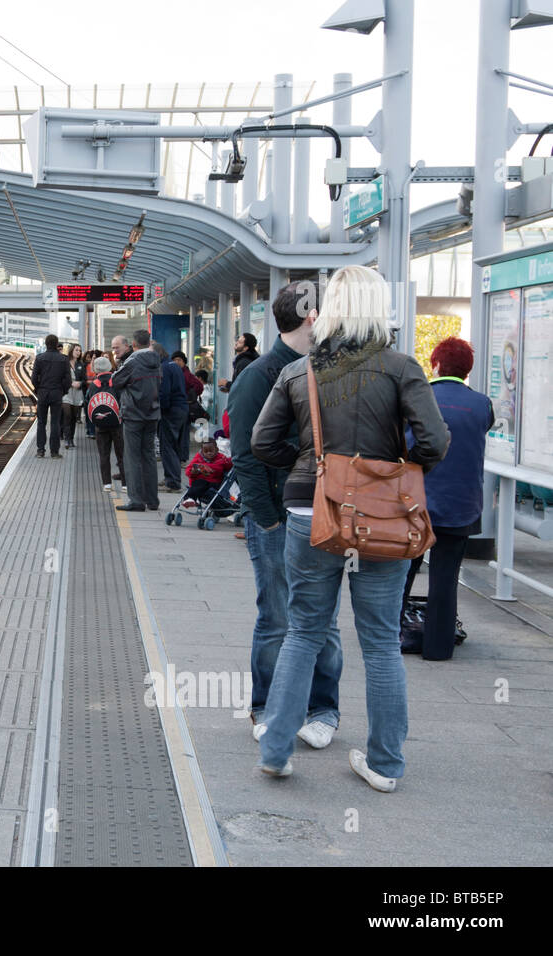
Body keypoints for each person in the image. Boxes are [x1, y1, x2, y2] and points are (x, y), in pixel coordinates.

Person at [251, 265, 449, 791]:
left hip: (309, 514)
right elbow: (435, 443)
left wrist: (313, 464)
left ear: (332, 308)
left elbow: (261, 442)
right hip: (379, 521)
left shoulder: (300, 372)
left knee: (303, 631)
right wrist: (390, 469)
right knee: (381, 643)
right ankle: (384, 765)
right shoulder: (402, 367)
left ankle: (275, 750)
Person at [227, 281, 343, 748]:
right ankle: (267, 706)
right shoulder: (259, 375)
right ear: (311, 315)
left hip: (322, 515)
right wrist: (268, 519)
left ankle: (322, 709)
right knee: (276, 616)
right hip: (278, 517)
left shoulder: (326, 369)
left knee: (325, 619)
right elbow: (244, 455)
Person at [399, 336, 493, 660]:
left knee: (403, 573)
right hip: (462, 506)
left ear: (435, 364)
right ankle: (438, 649)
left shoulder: (418, 397)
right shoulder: (483, 404)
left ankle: (390, 637)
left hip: (416, 502)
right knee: (445, 577)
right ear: (467, 369)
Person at [112, 329, 161, 512]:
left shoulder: (132, 362)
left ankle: (136, 501)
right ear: (149, 343)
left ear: (133, 344)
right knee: (148, 456)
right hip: (153, 414)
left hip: (133, 415)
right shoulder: (157, 361)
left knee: (132, 457)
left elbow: (116, 381)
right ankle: (152, 500)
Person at [85, 354, 124, 490]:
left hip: (100, 425)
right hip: (117, 424)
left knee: (104, 454)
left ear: (95, 369)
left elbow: (87, 403)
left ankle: (107, 484)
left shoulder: (93, 386)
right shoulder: (116, 381)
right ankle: (125, 484)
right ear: (109, 367)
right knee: (121, 454)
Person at [153, 342, 187, 491]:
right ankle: (171, 477)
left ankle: (173, 482)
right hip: (180, 408)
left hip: (170, 411)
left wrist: (161, 409)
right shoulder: (173, 365)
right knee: (172, 445)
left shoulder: (164, 368)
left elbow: (164, 392)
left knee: (167, 447)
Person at [31, 333, 71, 458]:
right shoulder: (64, 359)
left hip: (43, 392)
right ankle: (54, 452)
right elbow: (68, 380)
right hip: (56, 393)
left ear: (46, 344)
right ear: (56, 344)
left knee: (41, 422)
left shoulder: (39, 358)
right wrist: (63, 391)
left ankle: (40, 451)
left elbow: (33, 378)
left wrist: (38, 389)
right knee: (55, 422)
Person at [182, 439, 232, 510]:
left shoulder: (221, 458)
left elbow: (225, 466)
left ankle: (191, 498)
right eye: (206, 451)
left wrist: (231, 460)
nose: (209, 453)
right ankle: (190, 499)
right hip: (198, 483)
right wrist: (193, 471)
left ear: (217, 450)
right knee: (199, 482)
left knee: (201, 482)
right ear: (202, 451)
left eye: (211, 451)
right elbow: (188, 471)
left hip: (213, 483)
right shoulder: (198, 458)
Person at [61, 343, 86, 449]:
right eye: (76, 350)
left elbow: (85, 378)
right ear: (71, 351)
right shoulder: (64, 363)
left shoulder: (81, 364)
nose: (78, 352)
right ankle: (67, 439)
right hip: (66, 392)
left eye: (80, 351)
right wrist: (70, 383)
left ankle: (71, 438)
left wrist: (80, 383)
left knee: (74, 417)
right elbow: (60, 377)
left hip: (77, 392)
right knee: (67, 415)